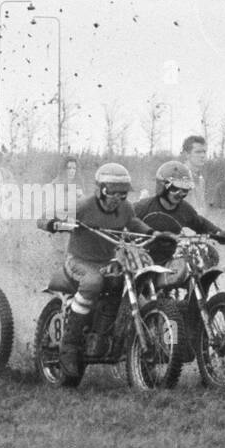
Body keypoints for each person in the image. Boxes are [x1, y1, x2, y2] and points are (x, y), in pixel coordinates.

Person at [37, 163, 155, 380]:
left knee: (129, 281)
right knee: (93, 282)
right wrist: (54, 224)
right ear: (101, 189)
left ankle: (110, 335)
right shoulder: (82, 206)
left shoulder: (126, 208)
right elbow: (44, 217)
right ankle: (69, 347)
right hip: (79, 261)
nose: (118, 198)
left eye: (123, 193)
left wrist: (151, 233)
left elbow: (134, 222)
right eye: (113, 192)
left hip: (108, 262)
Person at [133, 160, 225, 269]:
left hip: (170, 260)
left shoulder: (184, 209)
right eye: (174, 189)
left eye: (184, 189)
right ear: (162, 186)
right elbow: (126, 220)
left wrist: (219, 233)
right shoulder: (143, 207)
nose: (180, 194)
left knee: (207, 257)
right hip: (143, 259)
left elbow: (200, 223)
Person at [180, 135, 209, 209]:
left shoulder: (201, 180)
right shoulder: (179, 176)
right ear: (187, 154)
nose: (203, 155)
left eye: (204, 152)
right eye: (198, 152)